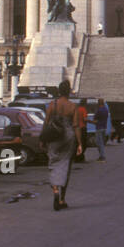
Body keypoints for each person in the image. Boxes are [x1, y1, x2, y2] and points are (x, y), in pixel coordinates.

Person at [46, 81, 81, 210]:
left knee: (53, 163)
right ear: (69, 92)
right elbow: (76, 126)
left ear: (59, 91)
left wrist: (42, 138)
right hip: (68, 136)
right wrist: (80, 143)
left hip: (54, 136)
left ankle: (55, 190)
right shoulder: (73, 106)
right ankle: (62, 199)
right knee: (65, 165)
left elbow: (46, 121)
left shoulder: (52, 104)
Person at [73, 98, 89, 163]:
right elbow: (85, 119)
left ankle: (77, 157)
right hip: (82, 128)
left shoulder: (77, 109)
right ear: (85, 103)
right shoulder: (83, 109)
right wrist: (92, 121)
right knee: (84, 143)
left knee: (77, 143)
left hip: (76, 129)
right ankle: (80, 157)